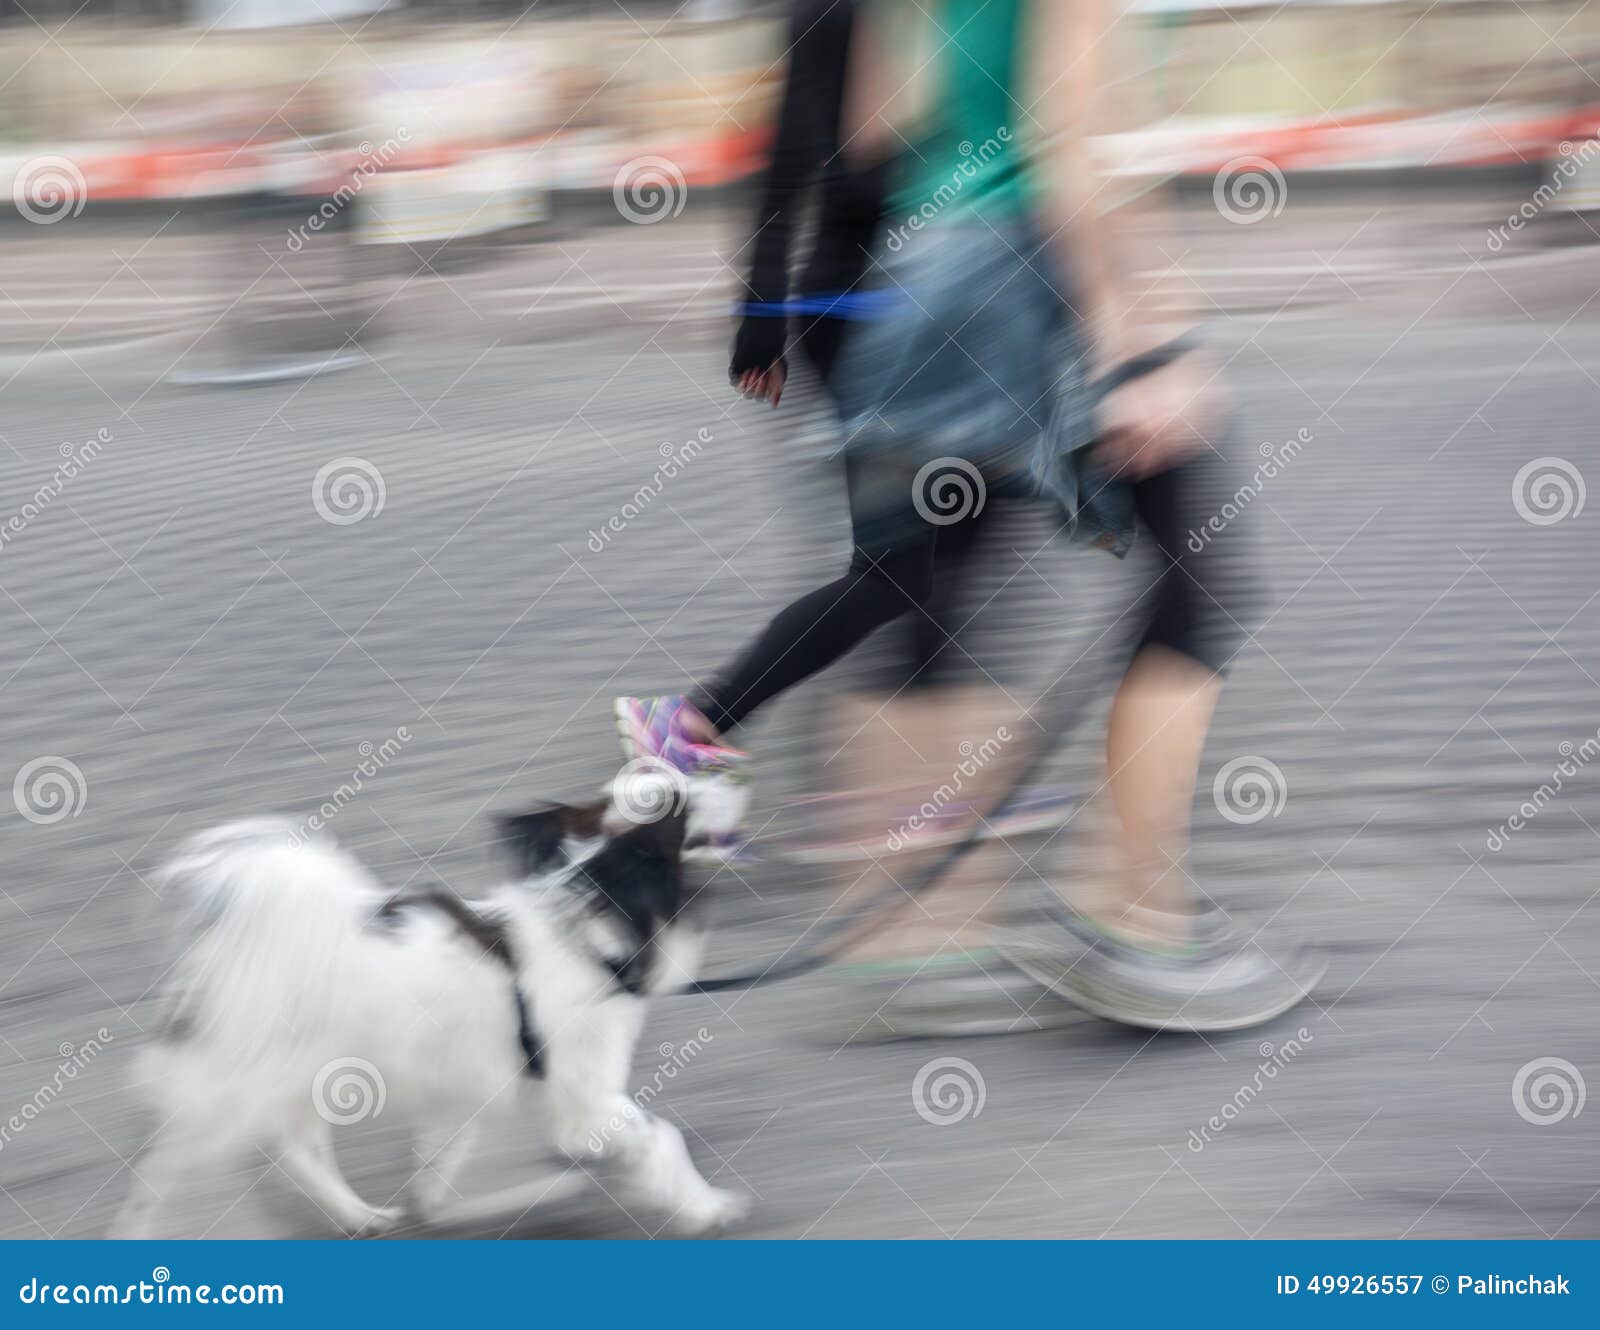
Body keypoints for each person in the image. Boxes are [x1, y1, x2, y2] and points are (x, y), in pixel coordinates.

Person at [619, 0, 1320, 1032]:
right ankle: (1131, 920)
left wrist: (783, 305)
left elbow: (867, 121)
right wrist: (1141, 344)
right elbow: (1072, 137)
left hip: (929, 269)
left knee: (923, 587)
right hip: (1023, 272)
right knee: (1199, 577)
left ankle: (910, 939)